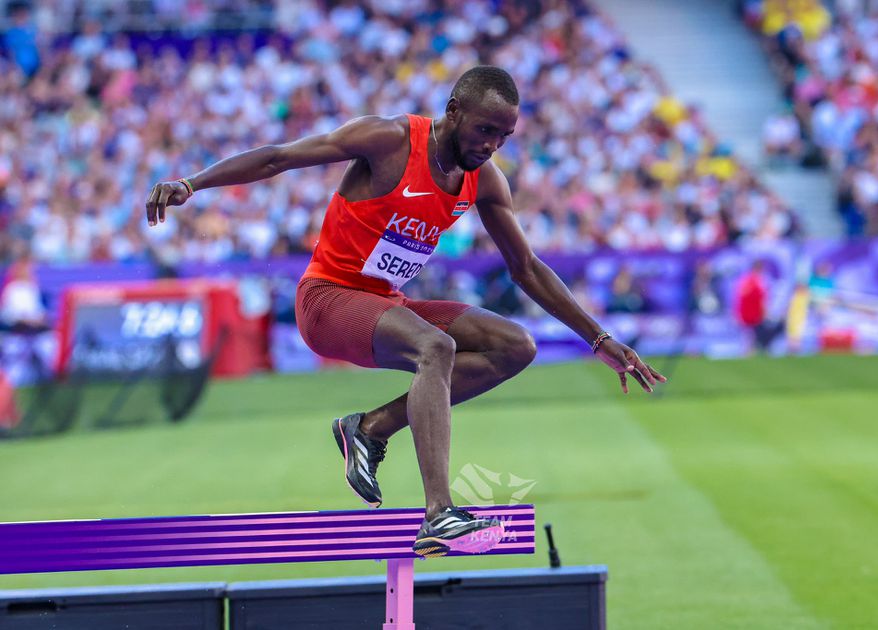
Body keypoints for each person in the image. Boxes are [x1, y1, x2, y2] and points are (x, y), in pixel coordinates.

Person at [146, 66, 666, 557]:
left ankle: (370, 428)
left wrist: (599, 339)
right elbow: (278, 158)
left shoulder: (484, 181)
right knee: (435, 346)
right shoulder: (390, 139)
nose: (491, 146)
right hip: (326, 299)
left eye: (504, 137)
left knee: (515, 346)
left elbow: (526, 267)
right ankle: (439, 514)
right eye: (485, 130)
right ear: (454, 110)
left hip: (385, 303)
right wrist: (191, 184)